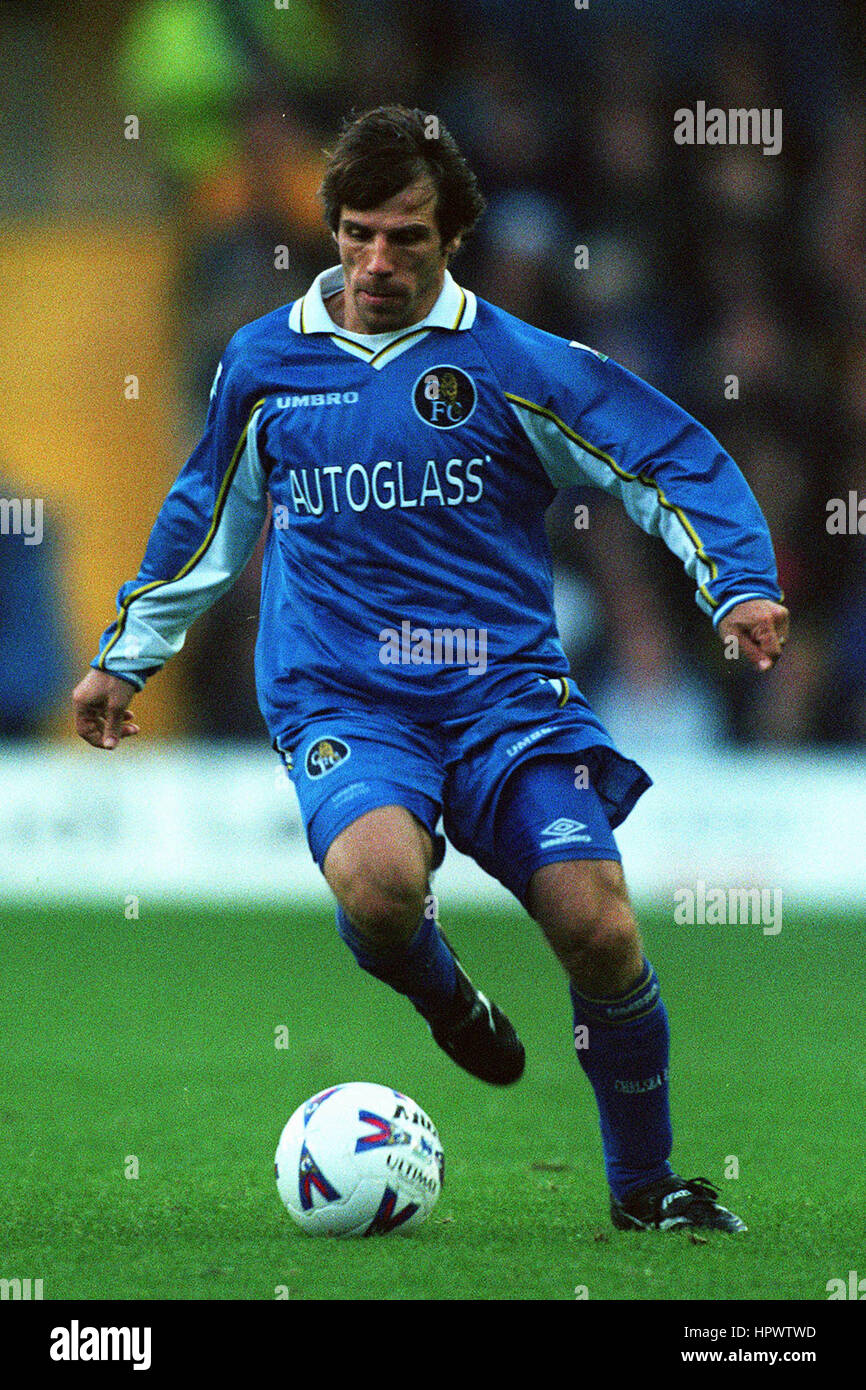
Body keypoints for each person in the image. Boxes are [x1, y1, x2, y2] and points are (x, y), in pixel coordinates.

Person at [73, 106, 788, 1234]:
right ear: (332, 231)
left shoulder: (511, 361)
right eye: (356, 234)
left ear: (451, 237)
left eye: (406, 238)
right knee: (376, 880)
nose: (376, 263)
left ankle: (645, 1189)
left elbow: (662, 450)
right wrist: (128, 658)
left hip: (501, 697)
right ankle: (443, 993)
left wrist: (735, 580)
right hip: (344, 695)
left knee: (597, 926)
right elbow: (203, 516)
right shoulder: (267, 364)